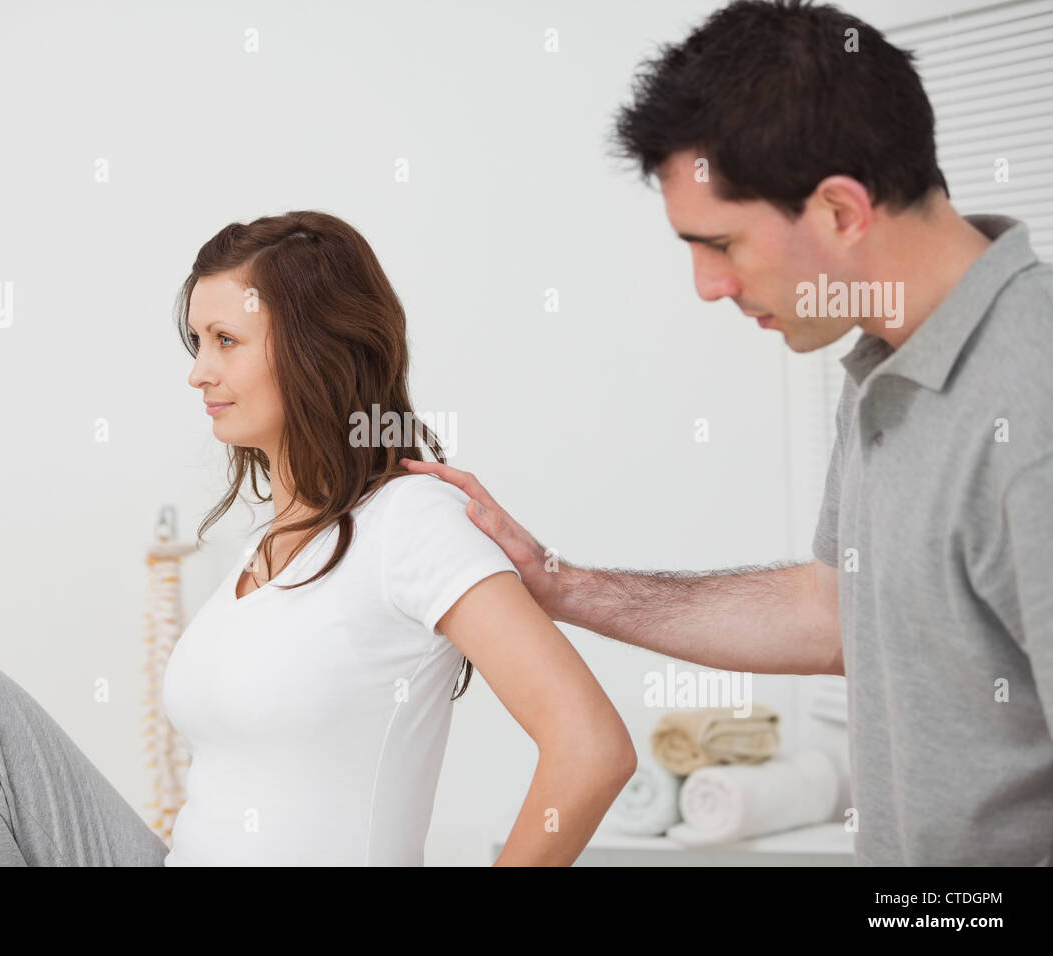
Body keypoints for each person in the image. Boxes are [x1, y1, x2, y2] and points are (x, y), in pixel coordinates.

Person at [406, 0, 1053, 866]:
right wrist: (565, 585)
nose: (708, 285)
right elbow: (830, 616)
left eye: (720, 244)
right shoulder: (882, 374)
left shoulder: (1031, 398)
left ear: (840, 212)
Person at [0, 210, 636, 867]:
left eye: (226, 340)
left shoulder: (412, 521)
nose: (199, 372)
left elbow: (590, 747)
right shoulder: (261, 548)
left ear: (316, 349)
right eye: (196, 342)